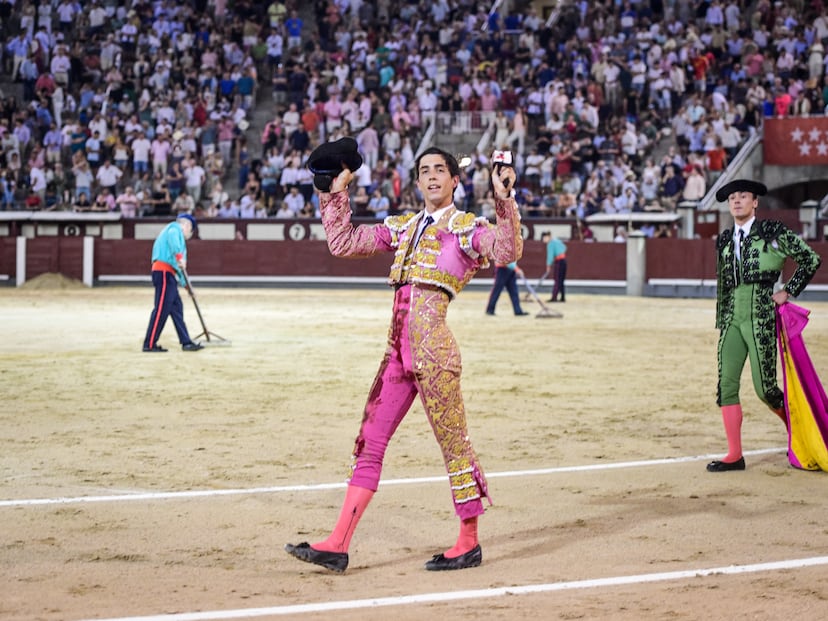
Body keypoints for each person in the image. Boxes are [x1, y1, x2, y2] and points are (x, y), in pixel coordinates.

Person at [285, 144, 522, 573]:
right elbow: (343, 243)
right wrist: (335, 191)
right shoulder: (404, 227)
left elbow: (506, 251)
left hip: (435, 354)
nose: (431, 176)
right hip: (396, 354)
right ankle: (337, 543)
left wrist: (504, 200)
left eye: (439, 170)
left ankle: (468, 542)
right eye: (424, 170)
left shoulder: (466, 229)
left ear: (454, 180)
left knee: (454, 444)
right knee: (369, 442)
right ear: (416, 181)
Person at [708, 179, 821, 472]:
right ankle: (735, 455)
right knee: (726, 386)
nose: (736, 201)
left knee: (766, 390)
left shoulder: (772, 233)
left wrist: (788, 290)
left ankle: (799, 436)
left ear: (755, 202)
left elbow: (810, 259)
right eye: (732, 198)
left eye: (743, 196)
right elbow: (724, 285)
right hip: (732, 320)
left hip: (761, 318)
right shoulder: (724, 240)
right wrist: (723, 320)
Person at [141, 214, 205, 353]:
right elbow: (176, 248)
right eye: (191, 231)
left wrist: (187, 287)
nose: (189, 235)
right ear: (187, 226)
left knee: (176, 308)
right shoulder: (174, 229)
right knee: (161, 309)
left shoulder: (177, 238)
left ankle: (186, 342)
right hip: (164, 272)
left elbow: (180, 270)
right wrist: (179, 256)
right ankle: (149, 344)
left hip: (169, 275)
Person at [541, 232, 567, 303]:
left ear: (548, 237)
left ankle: (554, 297)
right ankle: (562, 297)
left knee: (557, 280)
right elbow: (564, 247)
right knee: (561, 280)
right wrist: (559, 252)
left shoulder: (550, 244)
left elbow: (550, 256)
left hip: (559, 262)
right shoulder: (557, 241)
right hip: (564, 261)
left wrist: (548, 266)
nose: (544, 240)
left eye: (544, 238)